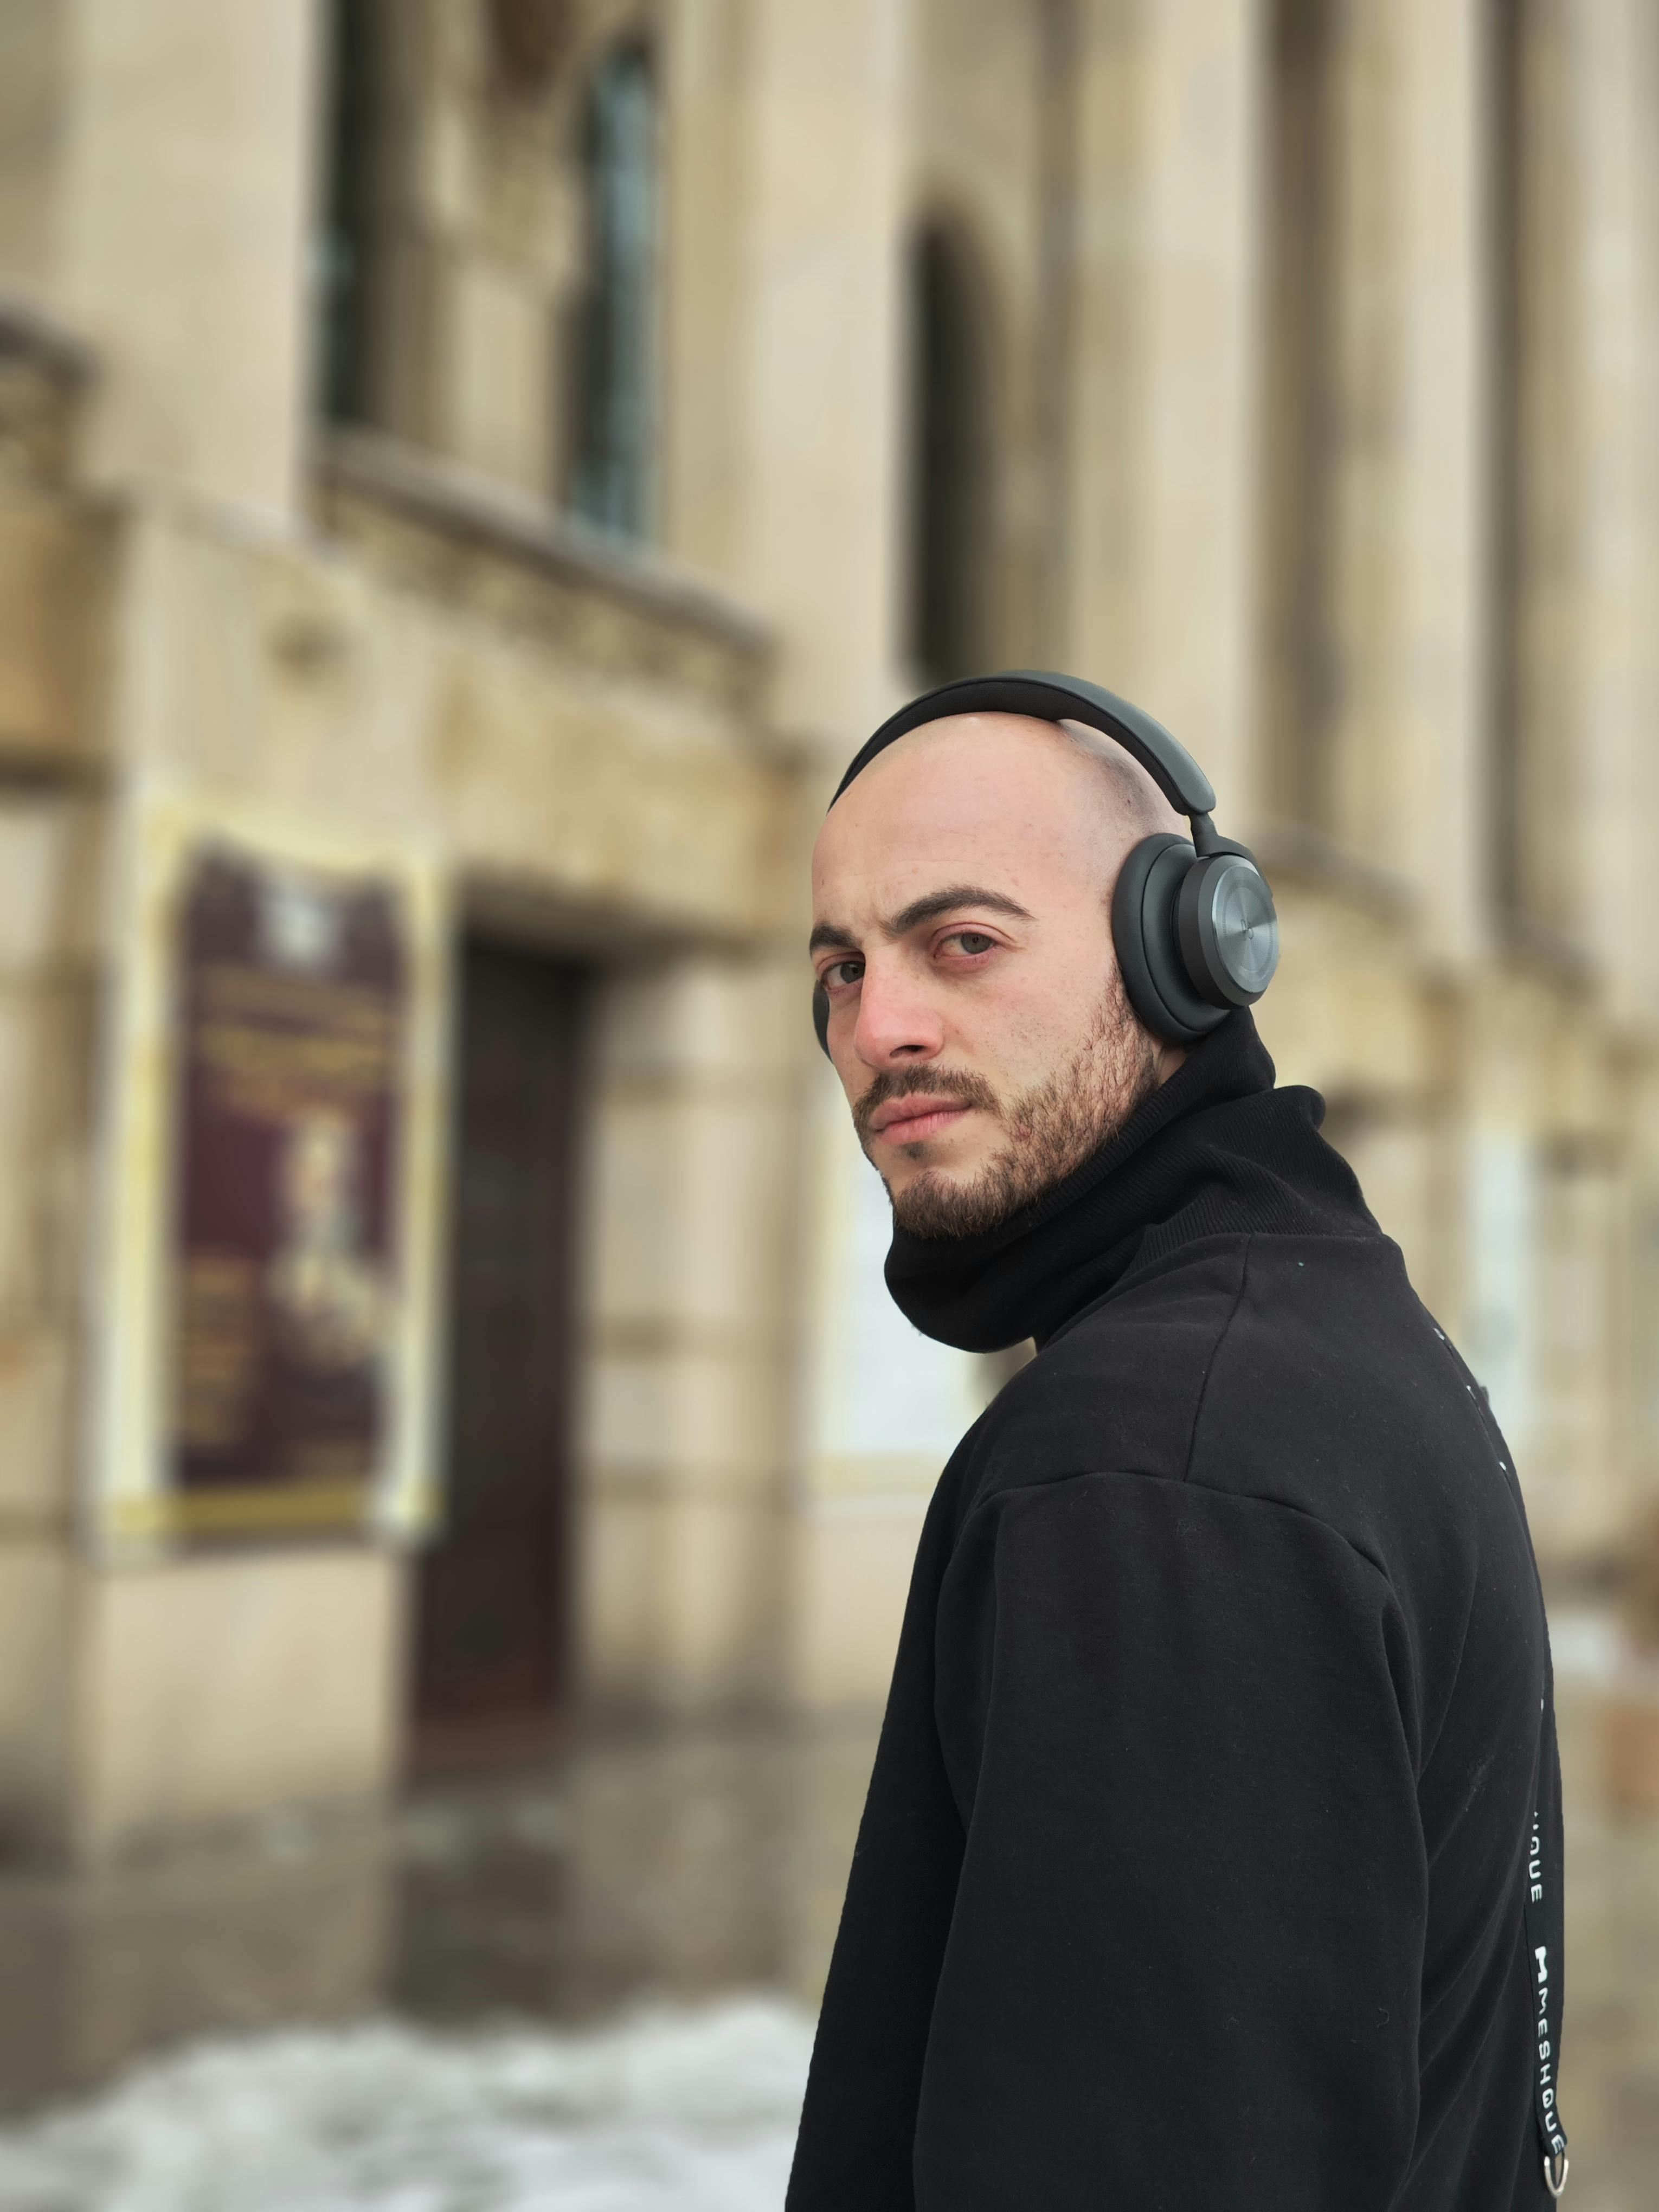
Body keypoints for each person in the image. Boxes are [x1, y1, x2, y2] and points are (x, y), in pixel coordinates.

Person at [787, 673, 1566, 2210]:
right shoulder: (1331, 1334)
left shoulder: (1159, 1463)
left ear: (1186, 949)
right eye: (836, 968)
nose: (877, 1027)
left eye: (963, 943)